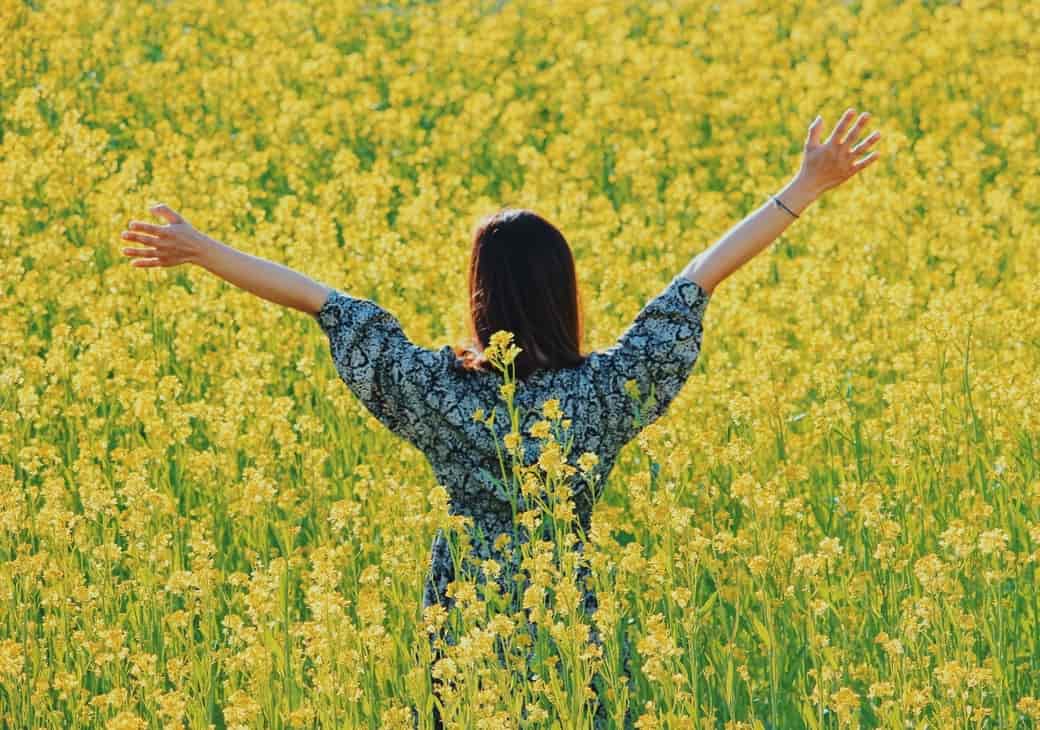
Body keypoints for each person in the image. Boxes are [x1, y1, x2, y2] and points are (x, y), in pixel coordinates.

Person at [119, 108, 880, 728]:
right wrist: (803, 187)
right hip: (567, 607)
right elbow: (697, 281)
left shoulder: (436, 390)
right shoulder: (604, 392)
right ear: (562, 290)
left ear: (479, 293)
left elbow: (324, 303)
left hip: (463, 607)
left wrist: (203, 250)